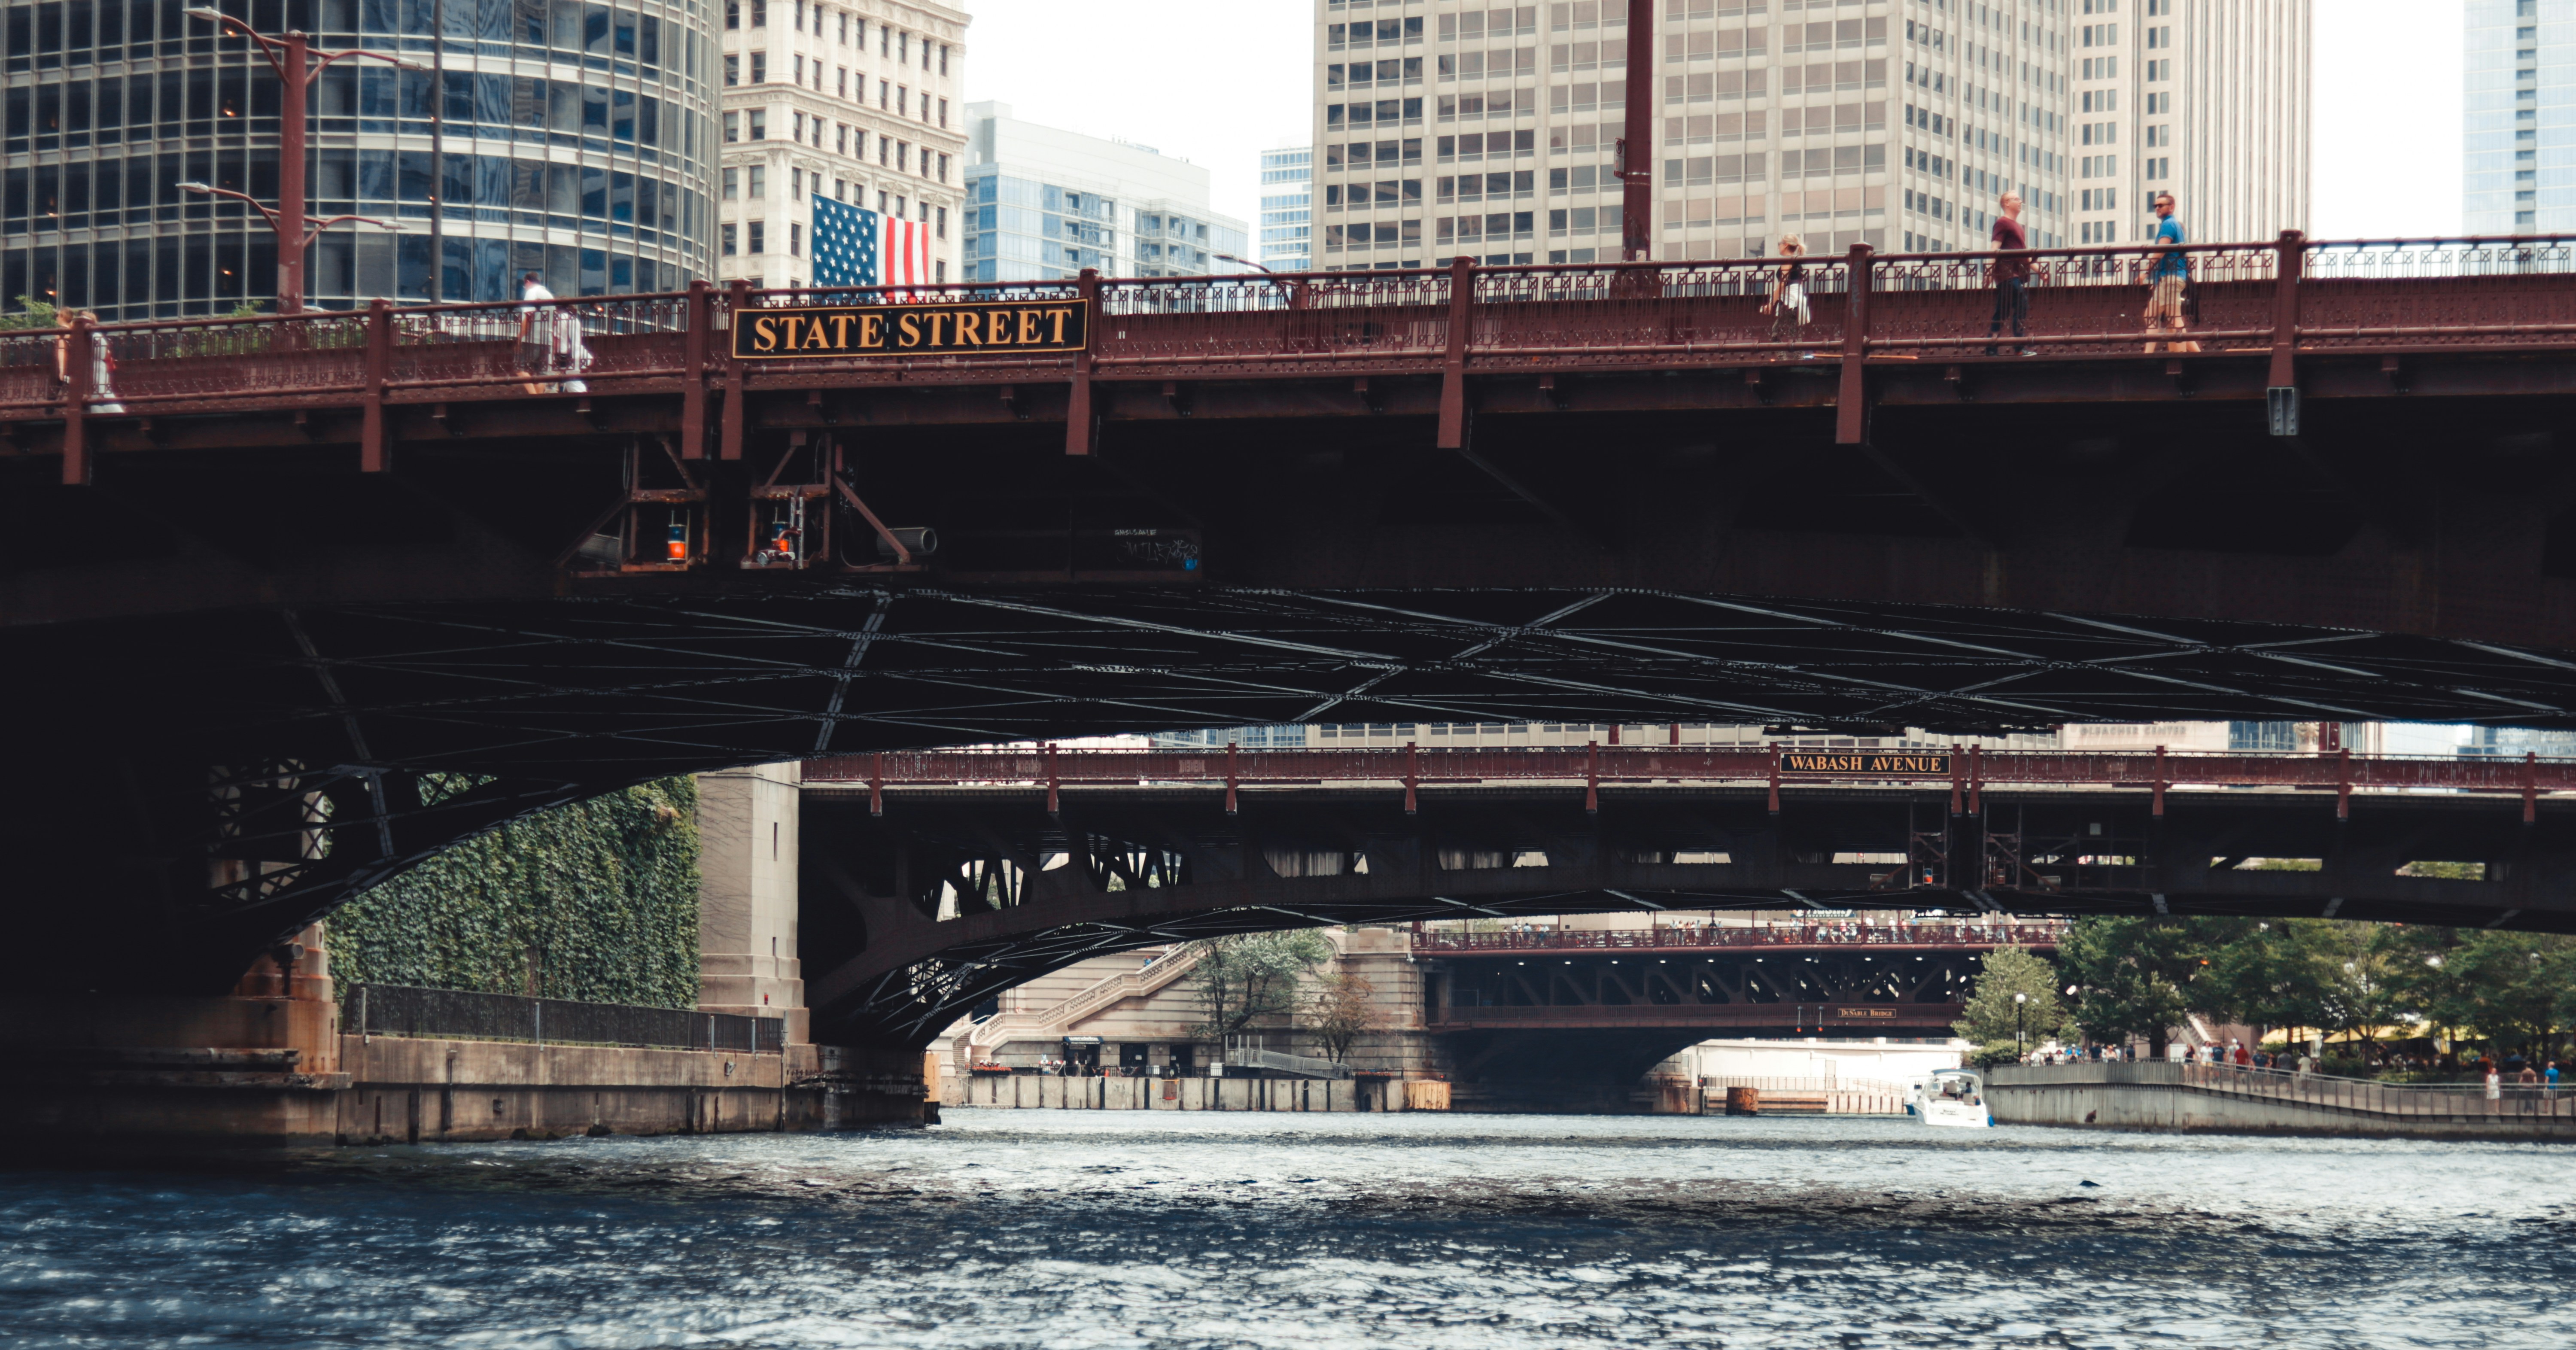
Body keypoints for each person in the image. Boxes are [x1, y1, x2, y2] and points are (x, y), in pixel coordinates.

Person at [516, 270, 591, 394]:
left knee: (519, 367)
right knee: (542, 373)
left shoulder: (532, 292)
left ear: (527, 282)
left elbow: (528, 316)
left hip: (533, 339)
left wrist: (520, 337)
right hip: (547, 341)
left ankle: (534, 397)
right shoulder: (549, 296)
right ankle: (540, 398)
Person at [2142, 192, 2199, 353]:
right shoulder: (2175, 225)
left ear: (2172, 207)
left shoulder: (2168, 225)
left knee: (2153, 317)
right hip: (2174, 277)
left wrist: (2146, 273)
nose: (2157, 208)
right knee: (2174, 320)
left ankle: (2148, 354)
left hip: (2171, 277)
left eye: (2161, 205)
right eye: (2156, 206)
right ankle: (2197, 354)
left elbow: (2162, 250)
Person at [1985, 192, 2034, 356]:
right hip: (2006, 274)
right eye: (2016, 199)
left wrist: (2040, 271)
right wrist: (1989, 272)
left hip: (2013, 274)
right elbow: (1995, 249)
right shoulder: (2002, 223)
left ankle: (1991, 347)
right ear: (2006, 203)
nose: (2021, 201)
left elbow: (2024, 254)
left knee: (2003, 311)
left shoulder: (2018, 227)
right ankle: (2019, 347)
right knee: (2021, 303)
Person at [55, 310, 125, 414]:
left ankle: (108, 412)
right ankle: (100, 410)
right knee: (99, 391)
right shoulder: (97, 336)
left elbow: (63, 350)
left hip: (93, 368)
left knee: (98, 390)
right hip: (98, 368)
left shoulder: (90, 336)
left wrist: (62, 370)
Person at [1761, 234, 1811, 353]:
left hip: (1789, 302)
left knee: (1776, 333)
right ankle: (1798, 358)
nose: (1779, 247)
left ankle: (1786, 359)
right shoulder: (1797, 261)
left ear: (1786, 245)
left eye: (1780, 244)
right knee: (1794, 332)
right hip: (1796, 300)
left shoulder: (1787, 261)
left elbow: (1783, 284)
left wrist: (1771, 304)